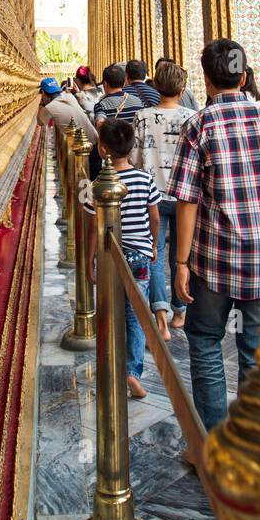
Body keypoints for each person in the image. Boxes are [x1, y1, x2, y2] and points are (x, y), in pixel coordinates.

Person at [166, 38, 260, 433]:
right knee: (257, 352)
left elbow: (188, 201)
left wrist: (180, 263)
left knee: (206, 340)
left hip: (215, 261)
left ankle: (212, 443)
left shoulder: (198, 126)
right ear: (243, 78)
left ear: (207, 82)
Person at [85, 118, 160, 399]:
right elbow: (154, 216)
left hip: (109, 257)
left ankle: (110, 364)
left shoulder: (97, 184)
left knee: (109, 311)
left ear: (102, 149)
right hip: (139, 255)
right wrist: (152, 245)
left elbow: (93, 226)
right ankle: (132, 370)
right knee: (136, 315)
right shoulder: (144, 178)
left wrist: (89, 260)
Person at [132, 59, 194, 338]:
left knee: (153, 255)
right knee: (180, 256)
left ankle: (160, 318)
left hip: (152, 195)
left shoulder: (143, 117)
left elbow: (134, 159)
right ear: (182, 89)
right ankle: (180, 311)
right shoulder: (192, 118)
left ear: (156, 86)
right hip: (184, 197)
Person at [89, 63, 144, 176]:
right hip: (134, 152)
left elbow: (100, 123)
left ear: (105, 83)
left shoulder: (102, 104)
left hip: (114, 155)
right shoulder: (138, 101)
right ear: (124, 82)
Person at [36, 76, 98, 146]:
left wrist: (41, 103)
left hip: (85, 147)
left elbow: (40, 122)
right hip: (95, 139)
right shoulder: (69, 96)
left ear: (43, 93)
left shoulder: (50, 107)